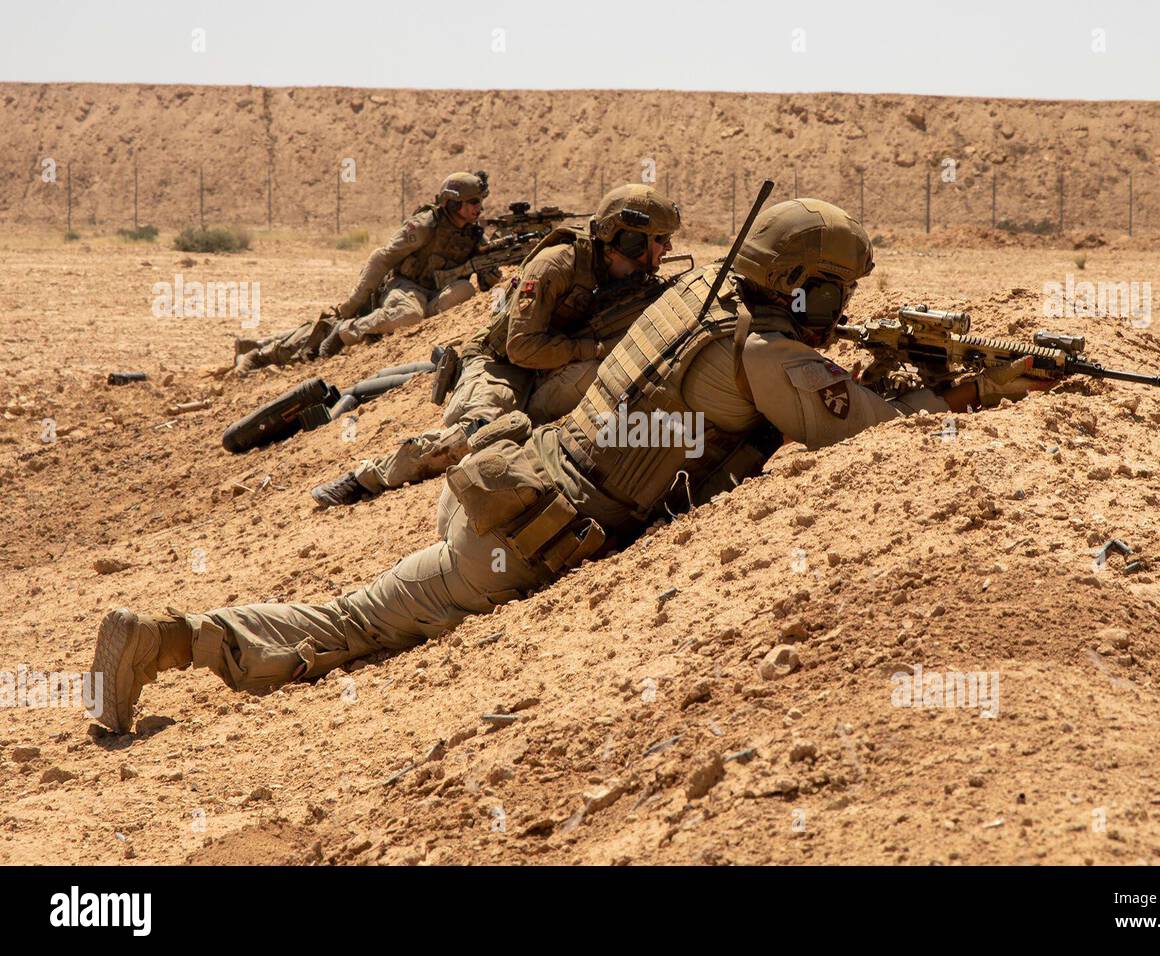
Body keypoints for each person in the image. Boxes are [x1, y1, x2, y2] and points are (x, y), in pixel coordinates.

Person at [90, 198, 1050, 733]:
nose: (840, 308)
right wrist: (975, 392)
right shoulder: (767, 355)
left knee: (366, 605)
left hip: (523, 475)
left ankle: (171, 636)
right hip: (526, 534)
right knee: (350, 627)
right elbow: (868, 431)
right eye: (834, 291)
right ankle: (165, 640)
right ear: (805, 285)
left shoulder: (696, 308)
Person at [309, 184, 681, 508]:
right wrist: (593, 349)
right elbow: (521, 348)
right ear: (627, 239)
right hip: (501, 363)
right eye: (659, 240)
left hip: (548, 370)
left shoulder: (631, 278)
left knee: (530, 426)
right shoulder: (557, 266)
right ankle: (367, 477)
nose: (667, 249)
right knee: (477, 434)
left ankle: (525, 425)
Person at [233, 171, 500, 373]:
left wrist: (488, 272)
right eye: (473, 202)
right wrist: (352, 304)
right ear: (454, 204)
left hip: (433, 298)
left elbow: (486, 282)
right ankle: (264, 352)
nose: (479, 208)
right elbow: (381, 258)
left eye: (480, 201)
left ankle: (262, 343)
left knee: (463, 290)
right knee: (332, 329)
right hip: (405, 288)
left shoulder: (473, 234)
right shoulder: (424, 226)